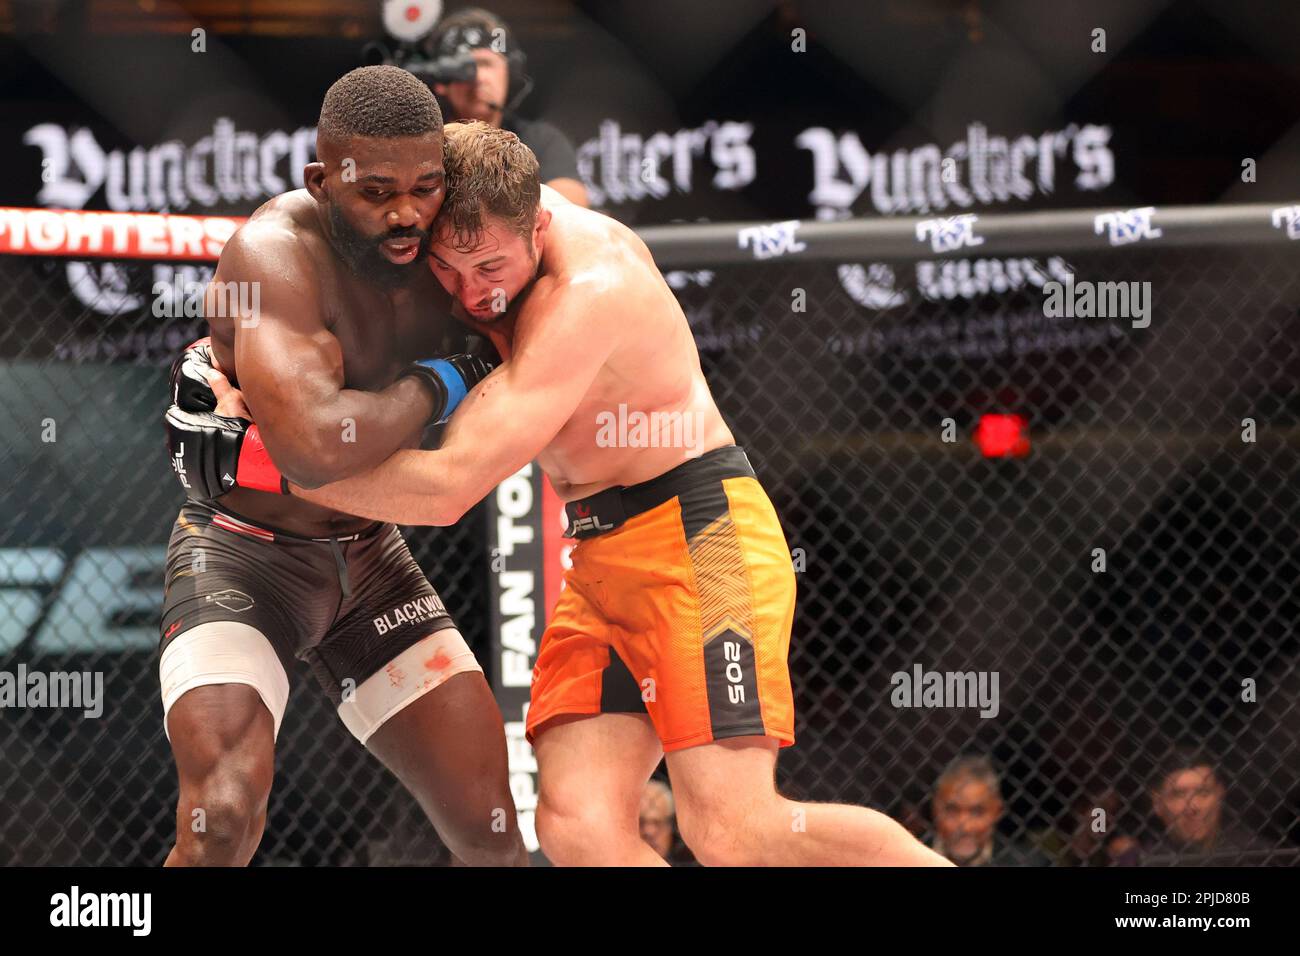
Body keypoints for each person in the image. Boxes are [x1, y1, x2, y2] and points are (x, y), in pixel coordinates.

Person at [172, 119, 951, 867]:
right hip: (603, 555)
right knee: (575, 827)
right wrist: (236, 365)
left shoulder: (590, 291)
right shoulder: (457, 253)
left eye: (488, 270)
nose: (470, 294)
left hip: (702, 538)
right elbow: (343, 310)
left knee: (735, 831)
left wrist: (265, 458)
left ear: (539, 226)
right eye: (449, 267)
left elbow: (447, 486)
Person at [159, 67, 525, 866]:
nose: (405, 213)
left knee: (492, 827)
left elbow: (543, 221)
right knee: (220, 817)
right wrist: (445, 380)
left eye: (426, 187)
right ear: (322, 181)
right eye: (377, 192)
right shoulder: (274, 255)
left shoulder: (455, 249)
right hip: (244, 556)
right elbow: (315, 449)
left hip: (374, 561)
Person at [426, 7, 589, 207]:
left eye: (486, 64)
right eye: (463, 67)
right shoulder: (425, 144)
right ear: (442, 80)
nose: (477, 77)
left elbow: (571, 209)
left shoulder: (541, 140)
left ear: (509, 73)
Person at [1143, 748, 1267, 865]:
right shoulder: (1144, 859)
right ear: (1158, 803)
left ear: (1220, 794)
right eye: (1179, 795)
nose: (1193, 806)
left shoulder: (1256, 854)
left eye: (1203, 792)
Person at [927, 756, 1049, 866]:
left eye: (977, 812)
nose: (965, 827)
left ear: (997, 811)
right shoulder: (909, 855)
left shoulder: (1029, 863)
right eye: (952, 810)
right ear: (935, 808)